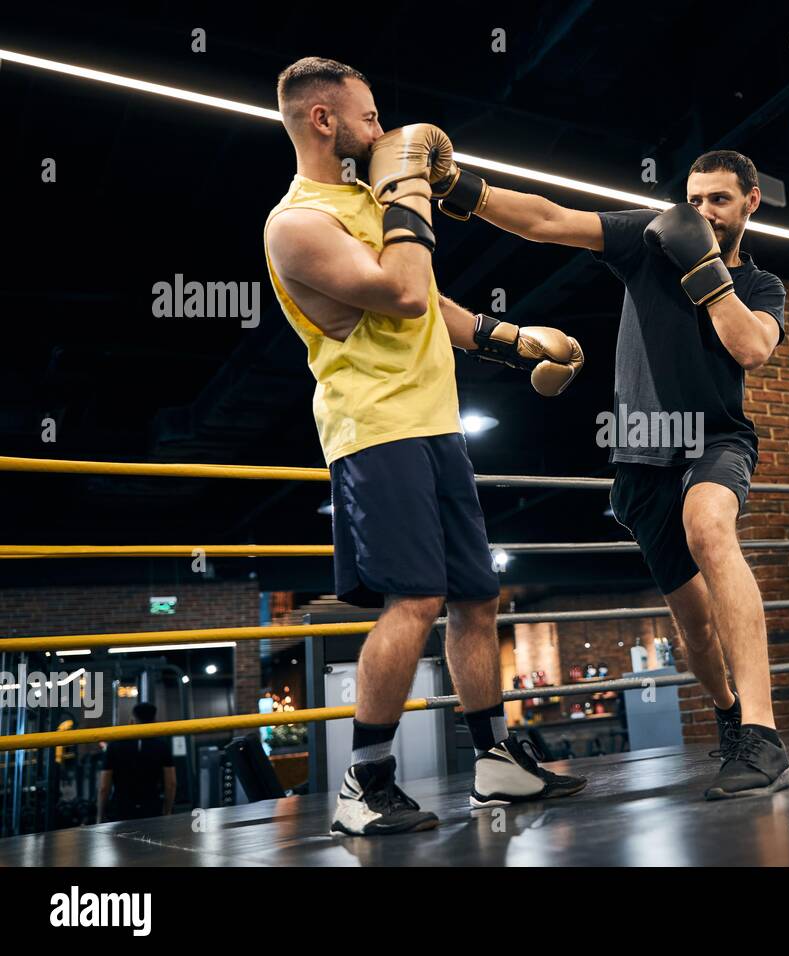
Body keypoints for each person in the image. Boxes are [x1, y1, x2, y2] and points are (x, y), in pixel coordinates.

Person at [263, 57, 588, 836]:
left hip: (435, 425)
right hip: (374, 430)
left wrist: (515, 342)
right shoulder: (298, 223)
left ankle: (496, 763)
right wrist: (409, 183)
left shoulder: (360, 203)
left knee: (478, 597)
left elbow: (430, 307)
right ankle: (363, 784)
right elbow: (403, 290)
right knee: (416, 599)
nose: (381, 131)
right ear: (323, 120)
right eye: (369, 117)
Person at [432, 148, 789, 798]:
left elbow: (753, 347)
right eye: (696, 199)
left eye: (719, 199)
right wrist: (461, 187)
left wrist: (707, 271)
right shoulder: (646, 240)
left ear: (750, 202)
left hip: (715, 437)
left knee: (710, 529)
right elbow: (547, 220)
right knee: (694, 627)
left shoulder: (762, 286)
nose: (704, 211)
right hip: (640, 450)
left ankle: (765, 738)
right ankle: (731, 717)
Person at [97, 703, 176, 823]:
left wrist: (100, 815)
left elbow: (104, 787)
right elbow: (171, 784)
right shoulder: (162, 745)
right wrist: (167, 811)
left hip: (121, 808)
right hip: (151, 809)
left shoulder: (114, 744)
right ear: (155, 721)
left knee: (122, 842)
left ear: (131, 720)